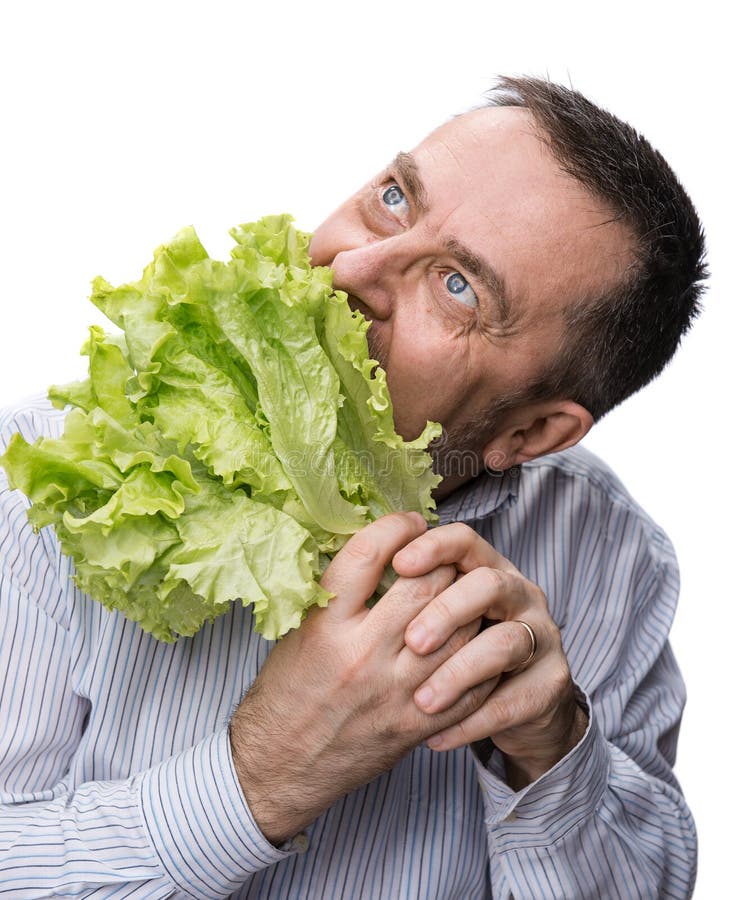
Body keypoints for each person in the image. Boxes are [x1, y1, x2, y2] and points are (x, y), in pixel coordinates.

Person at [0, 77, 706, 898]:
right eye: (395, 198)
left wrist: (553, 751)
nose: (350, 266)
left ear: (532, 434)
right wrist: (261, 777)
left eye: (457, 287)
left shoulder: (608, 550)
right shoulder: (45, 475)